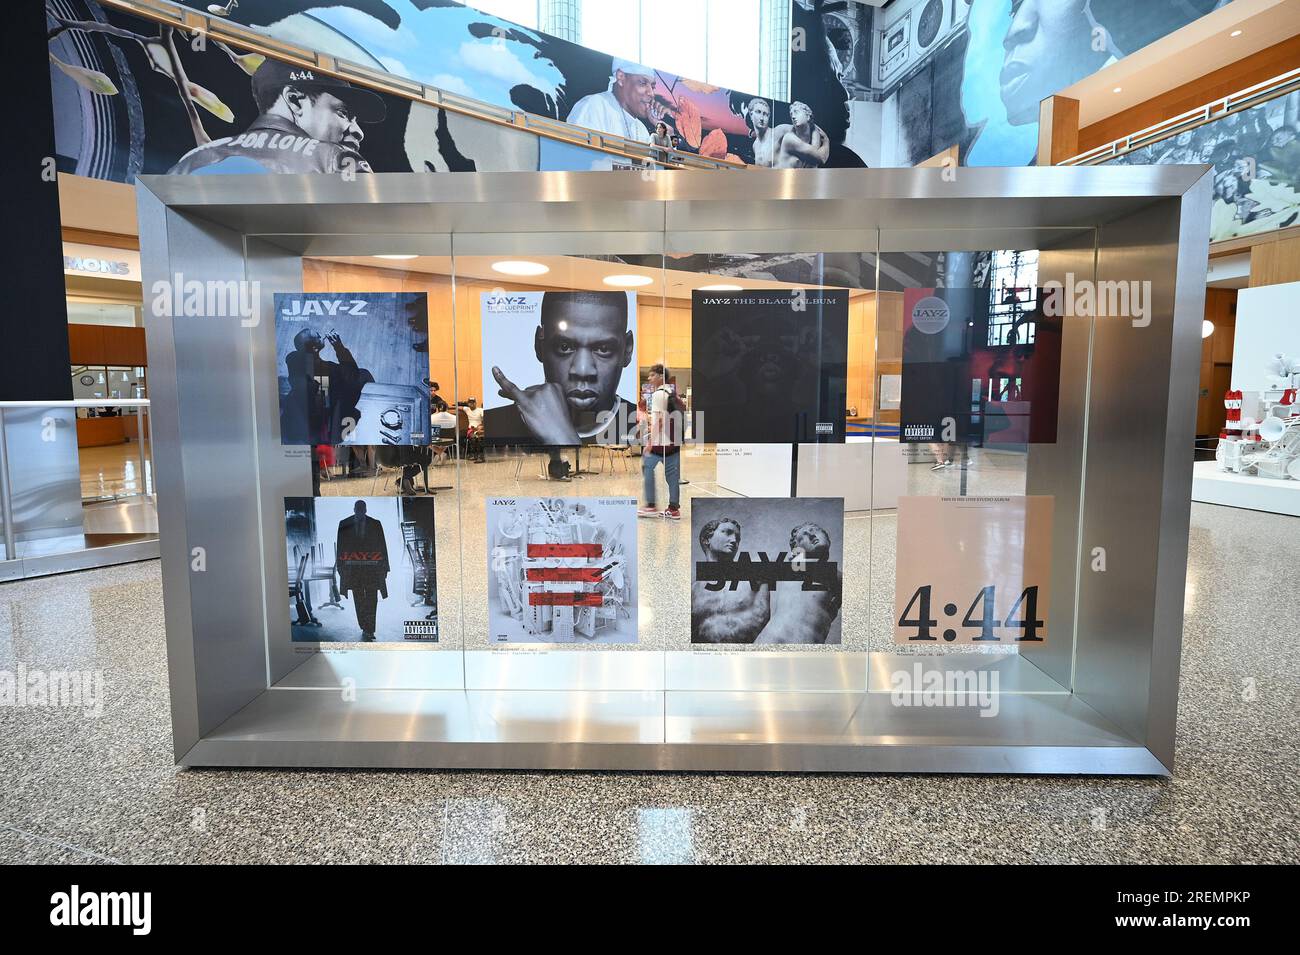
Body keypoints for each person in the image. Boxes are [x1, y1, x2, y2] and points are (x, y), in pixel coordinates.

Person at [168, 59, 385, 175]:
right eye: (343, 113)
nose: (358, 131)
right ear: (295, 100)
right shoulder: (333, 160)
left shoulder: (190, 161)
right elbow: (379, 229)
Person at [486, 291, 637, 447]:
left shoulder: (640, 425)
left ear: (627, 350)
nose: (582, 370)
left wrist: (564, 439)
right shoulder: (495, 425)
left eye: (604, 349)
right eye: (564, 347)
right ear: (539, 346)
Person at [280, 327, 374, 445]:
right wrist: (339, 347)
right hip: (326, 419)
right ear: (314, 348)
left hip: (302, 411)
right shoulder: (330, 369)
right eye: (318, 336)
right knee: (364, 374)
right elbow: (352, 375)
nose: (320, 334)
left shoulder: (292, 358)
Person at [691, 517, 771, 644]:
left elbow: (764, 619)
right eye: (727, 533)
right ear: (706, 540)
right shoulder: (693, 590)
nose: (734, 540)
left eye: (738, 538)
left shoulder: (755, 577)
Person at [566, 58, 660, 144]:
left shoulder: (641, 128)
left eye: (652, 87)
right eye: (643, 83)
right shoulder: (594, 105)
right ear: (621, 77)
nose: (651, 93)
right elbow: (578, 153)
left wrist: (664, 130)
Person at [334, 500, 389, 642]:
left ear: (365, 510)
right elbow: (340, 547)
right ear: (354, 510)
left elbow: (383, 546)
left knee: (372, 598)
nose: (360, 513)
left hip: (372, 569)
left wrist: (384, 567)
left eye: (362, 511)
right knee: (358, 599)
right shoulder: (344, 524)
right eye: (358, 510)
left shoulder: (375, 524)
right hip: (354, 569)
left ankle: (369, 629)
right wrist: (341, 567)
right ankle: (365, 626)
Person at [638, 364, 685, 521]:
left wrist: (650, 442)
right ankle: (673, 509)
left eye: (652, 375)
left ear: (660, 376)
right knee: (672, 476)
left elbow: (660, 420)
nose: (649, 378)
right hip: (674, 442)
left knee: (647, 466)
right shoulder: (671, 392)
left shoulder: (658, 395)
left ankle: (650, 505)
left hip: (661, 442)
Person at [772, 101, 830, 169]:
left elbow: (813, 166)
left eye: (796, 112)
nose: (793, 116)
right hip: (779, 177)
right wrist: (826, 141)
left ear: (808, 116)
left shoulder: (812, 139)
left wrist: (815, 134)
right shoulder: (789, 139)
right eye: (791, 114)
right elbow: (822, 158)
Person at [745, 97, 778, 167]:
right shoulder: (755, 145)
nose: (762, 118)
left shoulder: (776, 133)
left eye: (765, 114)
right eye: (758, 112)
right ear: (751, 115)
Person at [463, 397, 486, 463]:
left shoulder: (480, 410)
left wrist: (481, 426)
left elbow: (485, 418)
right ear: (468, 403)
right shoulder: (466, 409)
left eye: (473, 402)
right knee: (473, 437)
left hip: (480, 428)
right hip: (471, 429)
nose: (472, 404)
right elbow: (459, 407)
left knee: (480, 437)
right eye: (470, 402)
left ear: (476, 403)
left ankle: (480, 456)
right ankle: (474, 454)